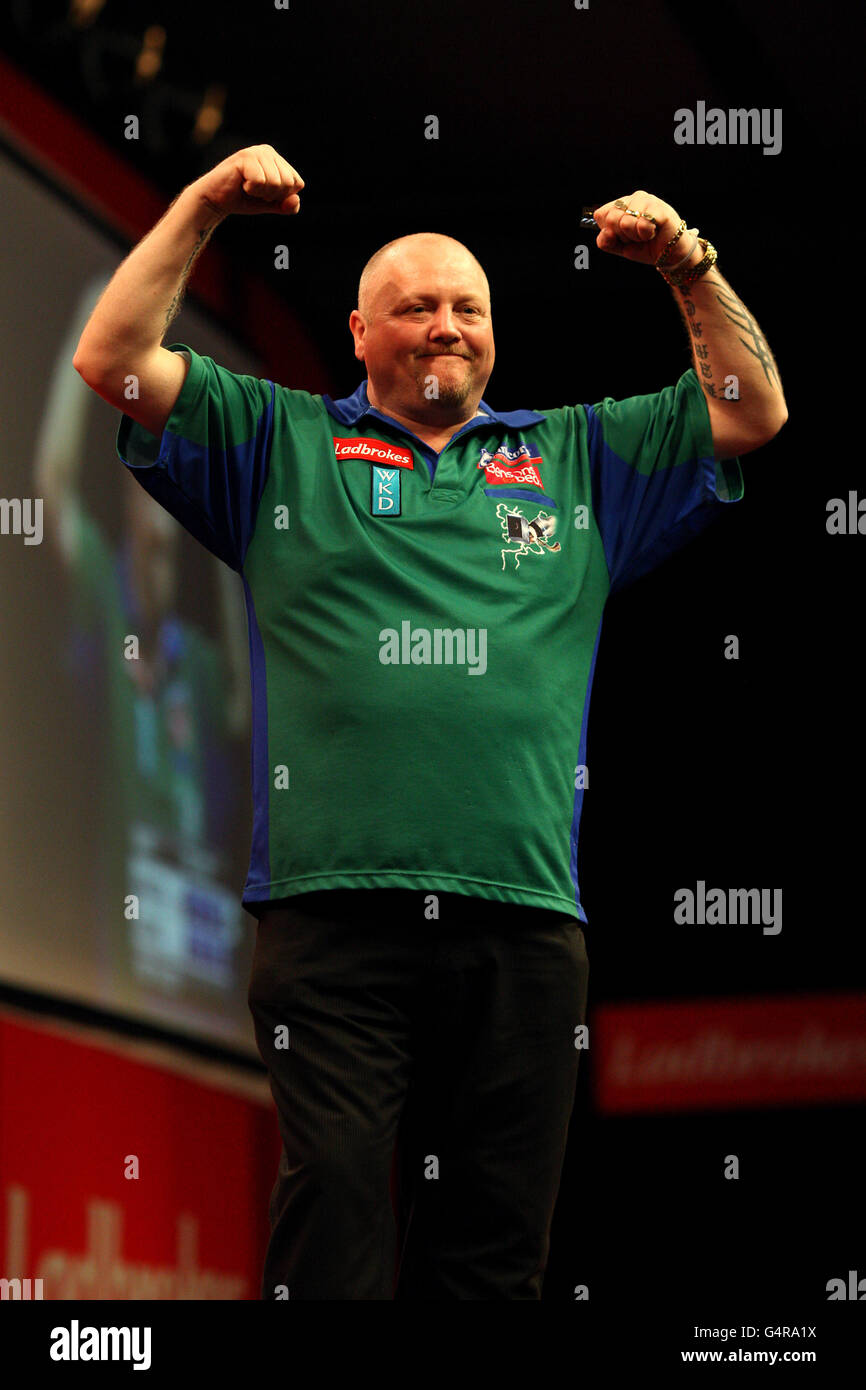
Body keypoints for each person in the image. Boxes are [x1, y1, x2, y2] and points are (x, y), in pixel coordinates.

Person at [73, 144, 787, 1300]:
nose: (446, 325)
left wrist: (687, 267)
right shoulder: (278, 441)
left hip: (522, 924)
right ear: (358, 331)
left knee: (493, 1256)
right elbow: (112, 360)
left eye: (467, 307)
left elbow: (750, 412)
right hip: (333, 920)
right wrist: (204, 203)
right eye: (414, 307)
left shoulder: (575, 458)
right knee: (340, 1219)